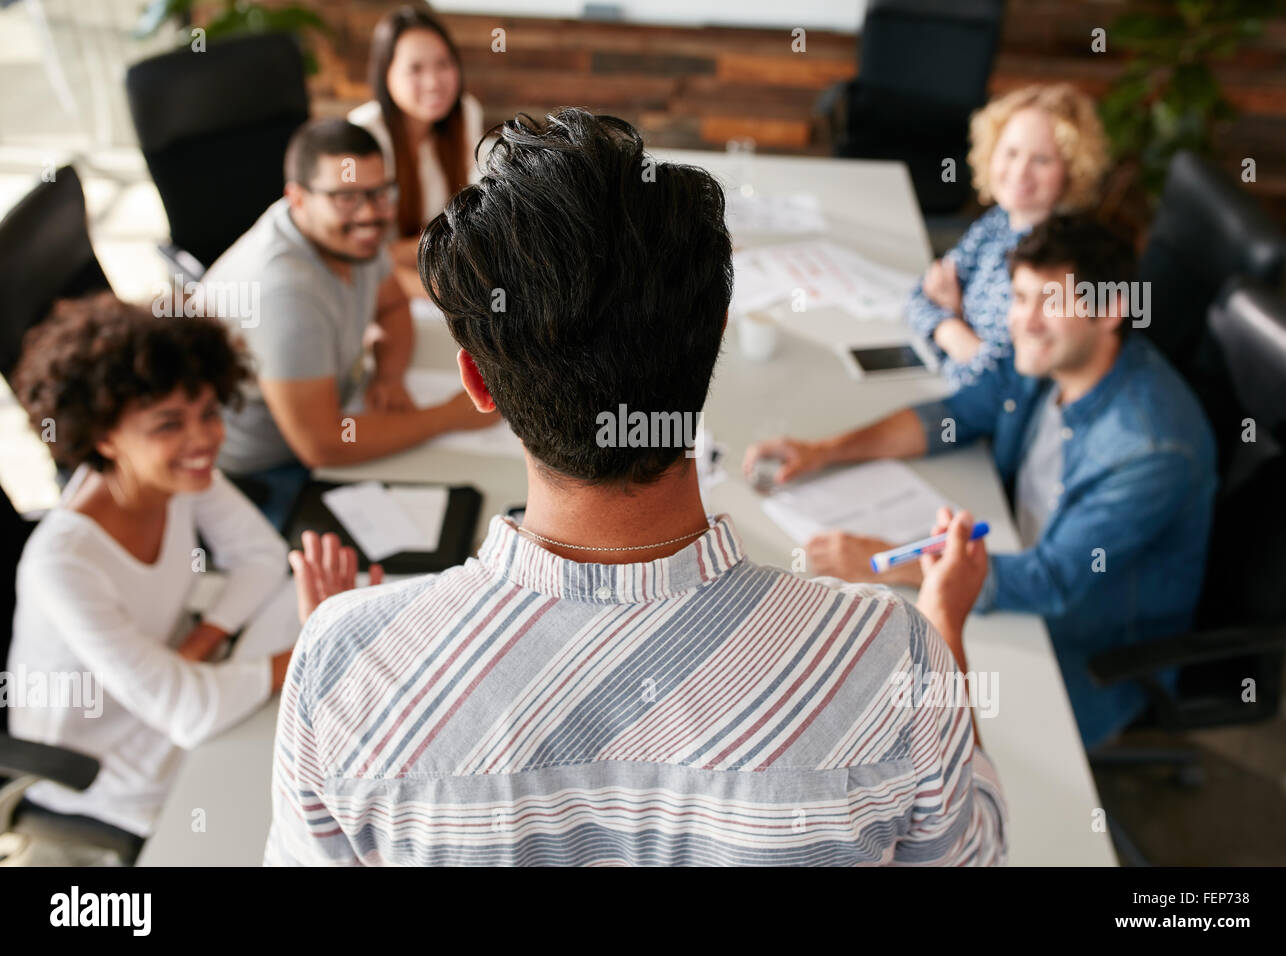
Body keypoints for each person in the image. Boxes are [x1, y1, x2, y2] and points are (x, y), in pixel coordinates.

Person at [264, 109, 1007, 867]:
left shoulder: (342, 660)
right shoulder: (889, 654)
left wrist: (364, 654)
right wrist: (943, 630)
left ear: (477, 381)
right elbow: (971, 856)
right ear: (716, 333)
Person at [746, 215, 1217, 749]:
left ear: (1109, 311)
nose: (1023, 322)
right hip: (1010, 561)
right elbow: (955, 415)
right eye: (1019, 297)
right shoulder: (1045, 357)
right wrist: (821, 451)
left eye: (1050, 303)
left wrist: (883, 560)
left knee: (879, 717)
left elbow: (1053, 581)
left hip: (1082, 651)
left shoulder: (1148, 448)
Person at [7, 294, 292, 840]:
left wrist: (203, 640)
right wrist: (292, 661)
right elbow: (188, 712)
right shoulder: (63, 564)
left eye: (209, 412)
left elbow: (262, 557)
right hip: (111, 761)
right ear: (104, 436)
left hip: (173, 682)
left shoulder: (173, 474)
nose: (203, 439)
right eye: (168, 424)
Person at [201, 118, 495, 528]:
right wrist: (451, 415)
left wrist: (390, 377)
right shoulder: (283, 294)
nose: (371, 215)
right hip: (267, 473)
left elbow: (392, 305)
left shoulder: (349, 234)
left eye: (380, 192)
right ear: (298, 199)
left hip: (334, 408)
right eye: (346, 197)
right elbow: (322, 445)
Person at [906, 84, 1109, 387]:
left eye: (1041, 160)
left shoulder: (1054, 261)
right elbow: (919, 296)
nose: (1020, 171)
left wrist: (950, 322)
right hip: (939, 374)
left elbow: (1005, 382)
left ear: (1071, 171)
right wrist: (956, 327)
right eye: (1011, 152)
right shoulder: (998, 222)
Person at [349, 5, 484, 299]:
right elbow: (359, 257)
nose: (434, 82)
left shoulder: (466, 113)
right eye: (416, 69)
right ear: (387, 74)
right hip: (384, 284)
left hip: (438, 270)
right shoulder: (364, 135)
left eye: (443, 64)